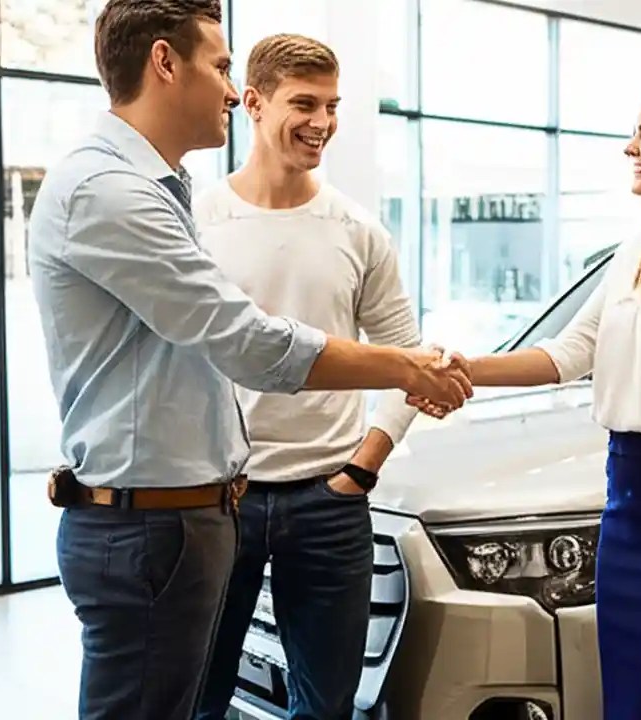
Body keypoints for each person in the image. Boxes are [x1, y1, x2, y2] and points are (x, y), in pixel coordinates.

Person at [26, 3, 469, 720]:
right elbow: (246, 342)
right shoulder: (123, 194)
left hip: (253, 507)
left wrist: (360, 468)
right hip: (162, 521)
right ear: (167, 63)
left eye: (333, 106)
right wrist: (407, 369)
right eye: (223, 68)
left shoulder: (165, 192)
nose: (229, 90)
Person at [413, 81, 641, 718]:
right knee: (629, 700)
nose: (629, 147)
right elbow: (570, 352)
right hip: (625, 510)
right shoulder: (638, 247)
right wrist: (467, 369)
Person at [189, 33, 424, 720]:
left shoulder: (358, 230)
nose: (322, 122)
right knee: (198, 700)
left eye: (332, 105)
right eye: (304, 103)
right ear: (254, 103)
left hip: (331, 503)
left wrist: (363, 467)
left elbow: (407, 357)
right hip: (216, 498)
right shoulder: (197, 222)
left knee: (325, 708)